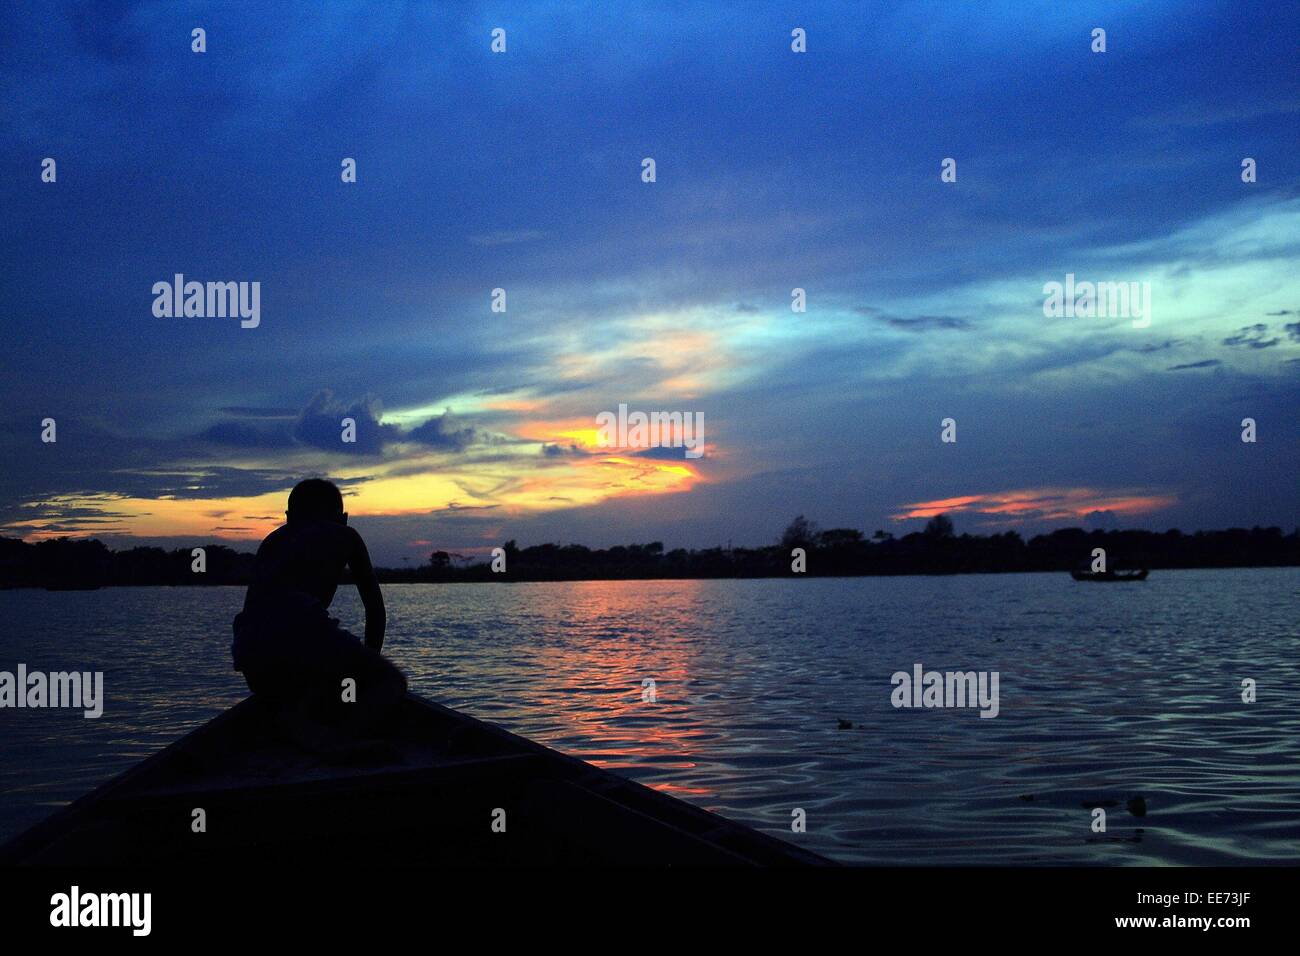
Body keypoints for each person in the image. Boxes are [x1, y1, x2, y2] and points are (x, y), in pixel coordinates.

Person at [232, 479, 406, 743]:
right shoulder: (346, 534)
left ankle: (297, 722)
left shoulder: (272, 540)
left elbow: (258, 607)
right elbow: (374, 609)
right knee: (390, 681)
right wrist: (368, 668)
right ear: (343, 518)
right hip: (301, 622)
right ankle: (341, 743)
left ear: (288, 517)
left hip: (247, 645)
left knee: (307, 690)